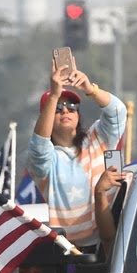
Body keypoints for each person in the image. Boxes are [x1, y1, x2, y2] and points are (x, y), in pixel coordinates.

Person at [26, 56, 128, 251]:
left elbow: (118, 112)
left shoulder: (97, 137)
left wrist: (91, 90)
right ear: (46, 117)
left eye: (72, 107)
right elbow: (39, 146)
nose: (65, 110)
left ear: (78, 114)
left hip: (116, 241)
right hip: (74, 251)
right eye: (57, 108)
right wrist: (54, 94)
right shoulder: (46, 160)